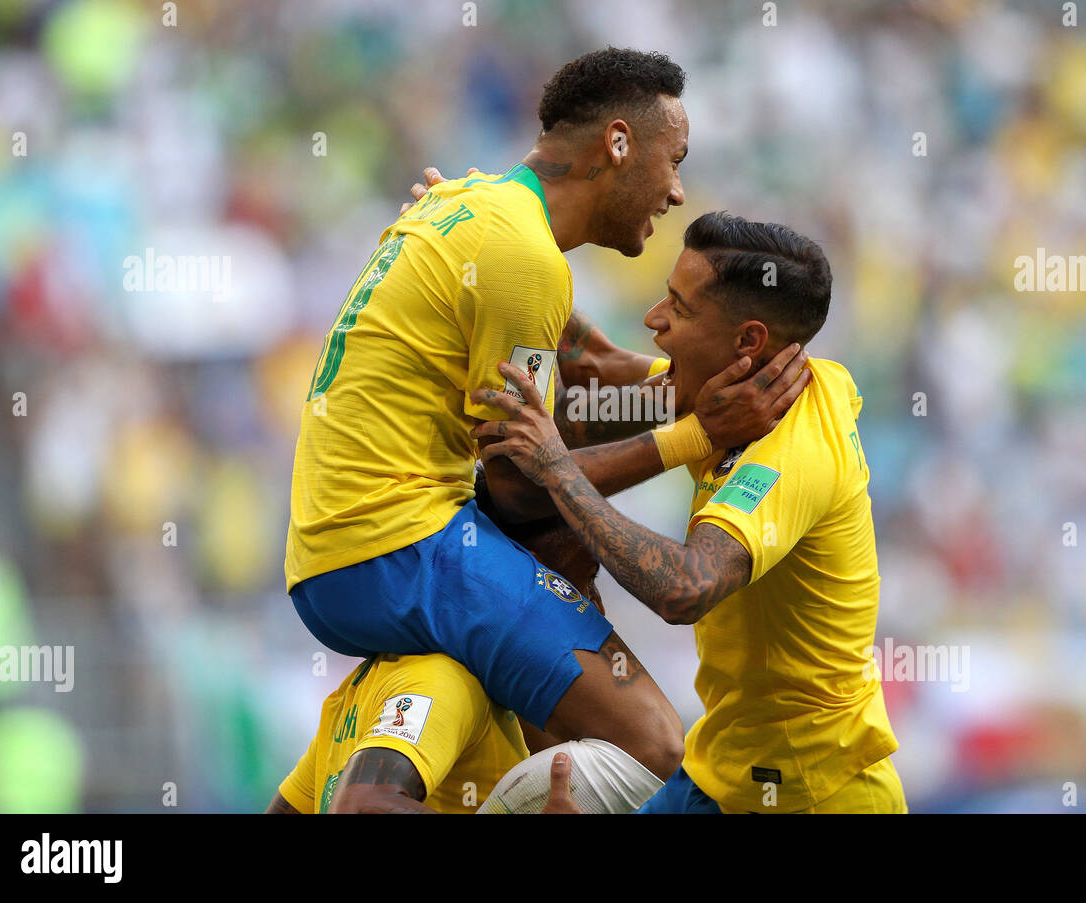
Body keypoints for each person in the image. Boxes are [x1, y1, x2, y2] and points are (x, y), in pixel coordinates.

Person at [285, 47, 807, 787]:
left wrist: (698, 384)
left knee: (544, 734)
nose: (678, 192)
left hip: (337, 551)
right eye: (675, 160)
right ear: (619, 143)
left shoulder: (474, 205)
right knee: (658, 749)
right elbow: (526, 486)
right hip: (395, 548)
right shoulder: (523, 256)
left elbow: (587, 365)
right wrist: (698, 432)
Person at [475, 211, 907, 814]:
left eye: (677, 307)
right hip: (723, 772)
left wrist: (558, 468)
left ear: (748, 341)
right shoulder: (724, 393)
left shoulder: (794, 448)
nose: (653, 319)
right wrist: (483, 232)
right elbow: (589, 360)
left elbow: (684, 588)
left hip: (810, 790)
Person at [267, 483, 657, 815]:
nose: (594, 606)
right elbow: (364, 805)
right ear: (520, 578)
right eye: (576, 584)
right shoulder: (442, 679)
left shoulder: (363, 686)